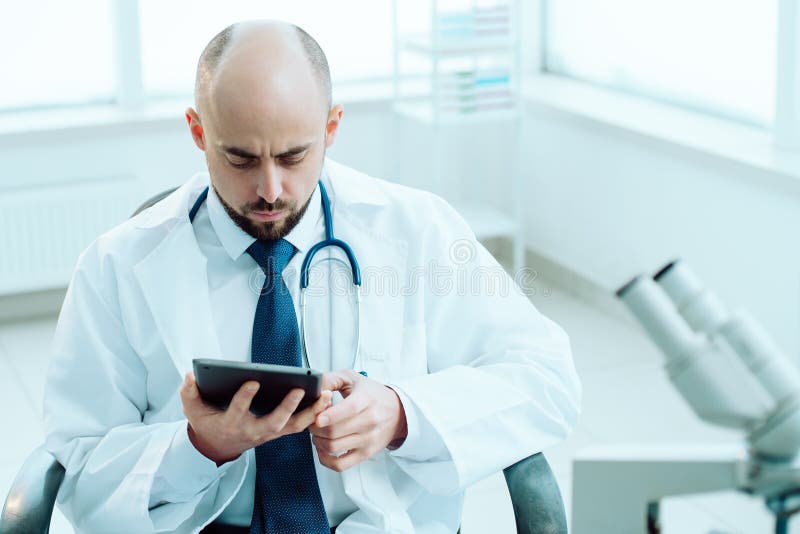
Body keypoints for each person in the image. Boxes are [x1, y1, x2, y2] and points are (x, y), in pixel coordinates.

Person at [44, 20, 581, 533]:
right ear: (198, 132)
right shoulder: (114, 266)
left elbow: (547, 379)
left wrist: (402, 414)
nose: (271, 190)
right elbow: (80, 475)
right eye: (240, 158)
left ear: (331, 127)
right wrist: (199, 446)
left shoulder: (417, 230)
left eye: (293, 155)